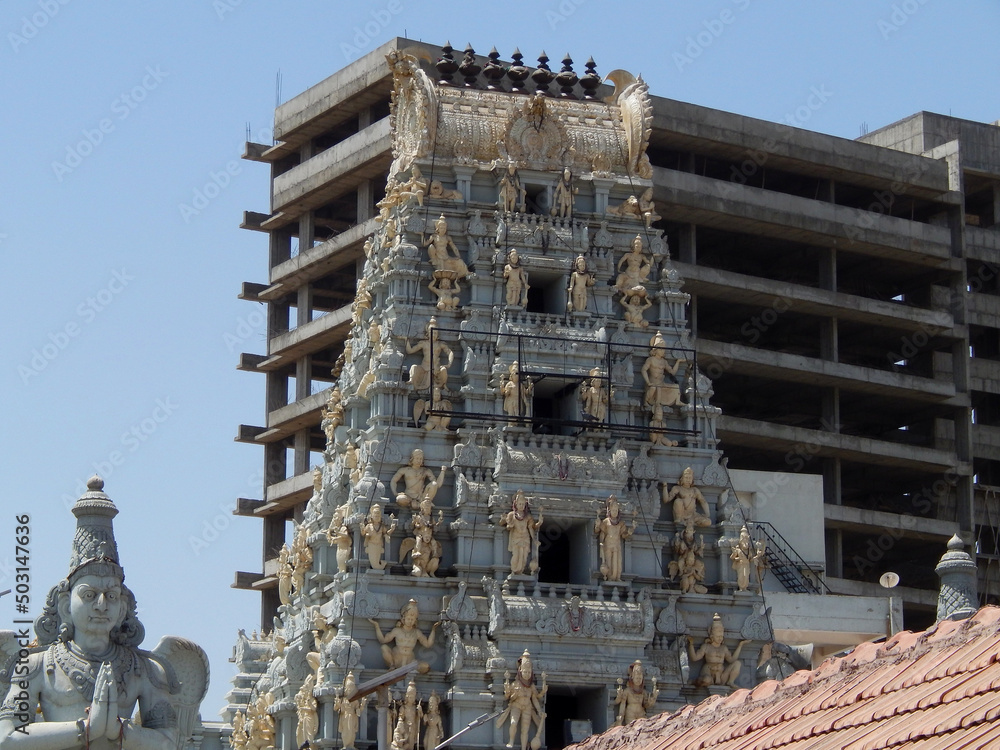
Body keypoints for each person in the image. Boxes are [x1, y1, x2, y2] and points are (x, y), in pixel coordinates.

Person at [0, 478, 207, 750]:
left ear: (123, 607)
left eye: (111, 595)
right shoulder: (36, 665)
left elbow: (169, 742)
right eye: (88, 595)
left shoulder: (143, 669)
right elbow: (7, 737)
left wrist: (119, 731)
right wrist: (86, 729)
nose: (101, 605)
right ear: (65, 605)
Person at [368, 599, 439, 674]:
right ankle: (392, 666)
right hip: (396, 659)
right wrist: (377, 626)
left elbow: (428, 644)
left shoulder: (416, 632)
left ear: (415, 621)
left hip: (410, 661)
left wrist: (433, 630)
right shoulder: (397, 630)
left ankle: (410, 668)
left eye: (412, 619)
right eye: (408, 619)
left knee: (426, 666)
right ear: (403, 619)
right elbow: (383, 640)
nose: (410, 621)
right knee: (384, 647)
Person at [496, 650, 547, 750]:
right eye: (525, 672)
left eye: (529, 672)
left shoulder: (531, 686)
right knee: (513, 723)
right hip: (516, 706)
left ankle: (524, 748)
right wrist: (506, 686)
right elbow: (507, 696)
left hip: (527, 707)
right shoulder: (515, 684)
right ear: (520, 671)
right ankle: (511, 741)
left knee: (525, 729)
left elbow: (535, 698)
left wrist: (540, 711)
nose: (527, 674)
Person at [687, 614, 749, 688]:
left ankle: (730, 682)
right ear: (712, 636)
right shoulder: (706, 646)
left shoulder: (724, 648)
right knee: (706, 680)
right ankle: (694, 681)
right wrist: (691, 644)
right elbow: (694, 658)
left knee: (737, 663)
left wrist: (740, 645)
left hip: (720, 675)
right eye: (718, 636)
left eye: (721, 637)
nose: (720, 639)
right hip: (708, 673)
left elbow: (732, 660)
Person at [499, 490, 542, 576]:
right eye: (520, 504)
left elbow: (531, 527)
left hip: (525, 538)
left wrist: (539, 524)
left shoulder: (528, 516)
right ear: (515, 504)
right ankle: (514, 571)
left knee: (524, 556)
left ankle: (521, 571)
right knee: (516, 555)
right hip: (516, 537)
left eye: (523, 504)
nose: (521, 506)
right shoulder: (511, 515)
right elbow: (504, 524)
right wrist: (504, 520)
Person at [594, 495, 636, 582]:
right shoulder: (606, 522)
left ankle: (617, 577)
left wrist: (630, 531)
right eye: (613, 510)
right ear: (609, 511)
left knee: (617, 562)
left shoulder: (620, 523)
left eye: (616, 510)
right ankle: (610, 577)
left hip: (617, 545)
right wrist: (598, 525)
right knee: (609, 562)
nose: (614, 512)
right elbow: (600, 532)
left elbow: (623, 535)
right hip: (608, 544)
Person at [406, 318, 454, 392]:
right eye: (432, 332)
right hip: (424, 368)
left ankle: (442, 384)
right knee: (414, 367)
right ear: (428, 333)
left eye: (435, 333)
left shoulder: (440, 344)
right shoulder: (423, 343)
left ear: (437, 334)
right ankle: (411, 380)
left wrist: (449, 364)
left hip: (436, 369)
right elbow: (410, 351)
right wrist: (406, 340)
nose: (433, 335)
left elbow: (450, 352)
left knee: (444, 370)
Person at [613, 660, 658, 726]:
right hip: (630, 713)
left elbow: (646, 705)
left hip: (641, 713)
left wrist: (653, 698)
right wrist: (620, 716)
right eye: (637, 678)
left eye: (640, 678)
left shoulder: (643, 692)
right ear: (632, 677)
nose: (638, 680)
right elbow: (622, 703)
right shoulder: (627, 691)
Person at [362, 504, 396, 570]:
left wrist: (392, 529)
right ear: (372, 516)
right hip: (371, 545)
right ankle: (380, 566)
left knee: (377, 561)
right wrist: (362, 528)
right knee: (373, 562)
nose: (377, 516)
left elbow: (386, 533)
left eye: (378, 515)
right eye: (375, 515)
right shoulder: (369, 526)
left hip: (379, 545)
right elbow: (363, 533)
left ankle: (381, 565)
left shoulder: (381, 527)